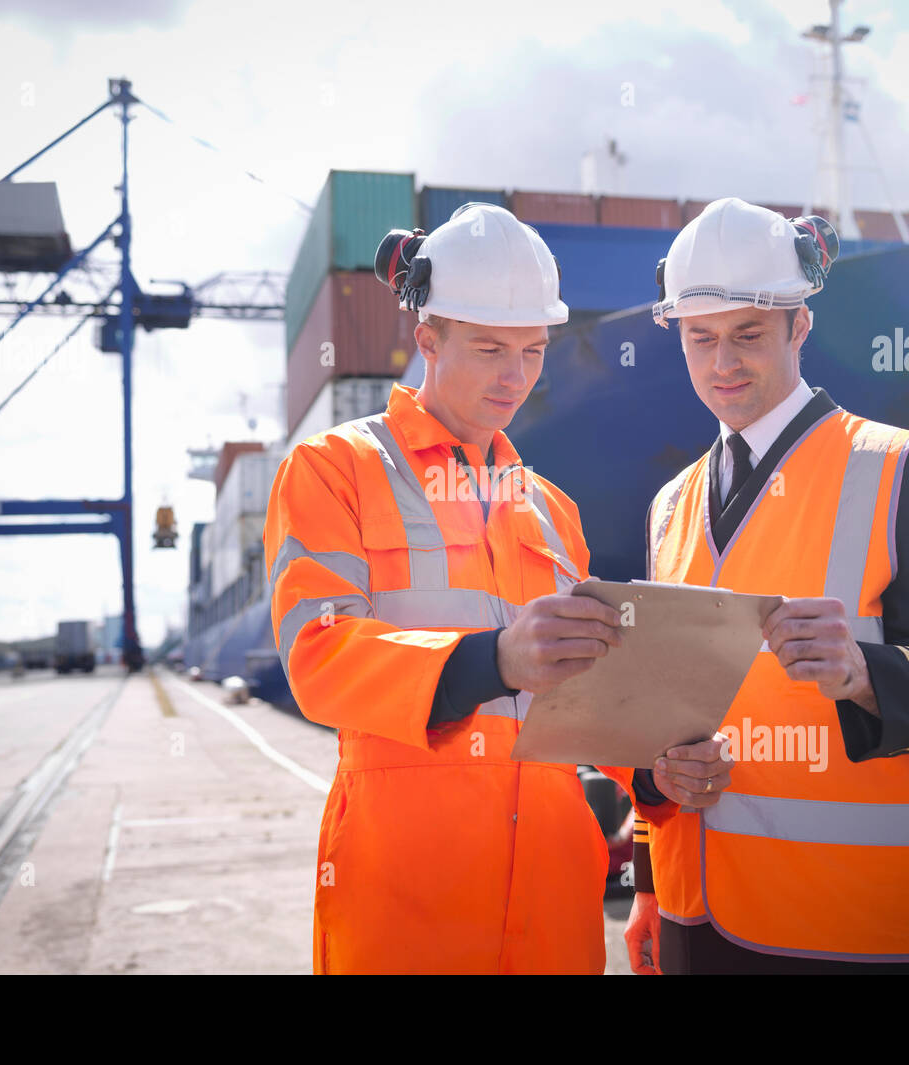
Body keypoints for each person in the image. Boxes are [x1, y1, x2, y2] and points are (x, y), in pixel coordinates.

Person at [609, 197, 909, 975]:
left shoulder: (904, 469)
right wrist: (652, 878)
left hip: (863, 935)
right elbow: (660, 717)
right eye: (702, 339)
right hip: (702, 932)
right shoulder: (672, 504)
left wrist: (866, 674)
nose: (723, 362)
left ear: (800, 326)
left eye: (748, 335)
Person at [264, 203, 624, 975]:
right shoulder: (335, 470)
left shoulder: (552, 507)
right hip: (409, 910)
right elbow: (318, 655)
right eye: (491, 347)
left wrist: (658, 779)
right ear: (427, 340)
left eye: (533, 350)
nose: (515, 375)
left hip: (558, 914)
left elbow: (591, 699)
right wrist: (493, 660)